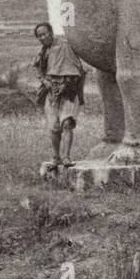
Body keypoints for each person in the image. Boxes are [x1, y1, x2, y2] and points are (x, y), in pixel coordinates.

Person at [33, 22, 86, 170]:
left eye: (45, 33)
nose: (43, 37)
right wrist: (45, 82)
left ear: (51, 32)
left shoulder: (65, 45)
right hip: (51, 92)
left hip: (69, 89)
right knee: (54, 128)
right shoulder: (44, 52)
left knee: (67, 123)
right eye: (39, 36)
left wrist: (67, 84)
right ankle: (56, 157)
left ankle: (66, 157)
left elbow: (78, 69)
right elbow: (39, 70)